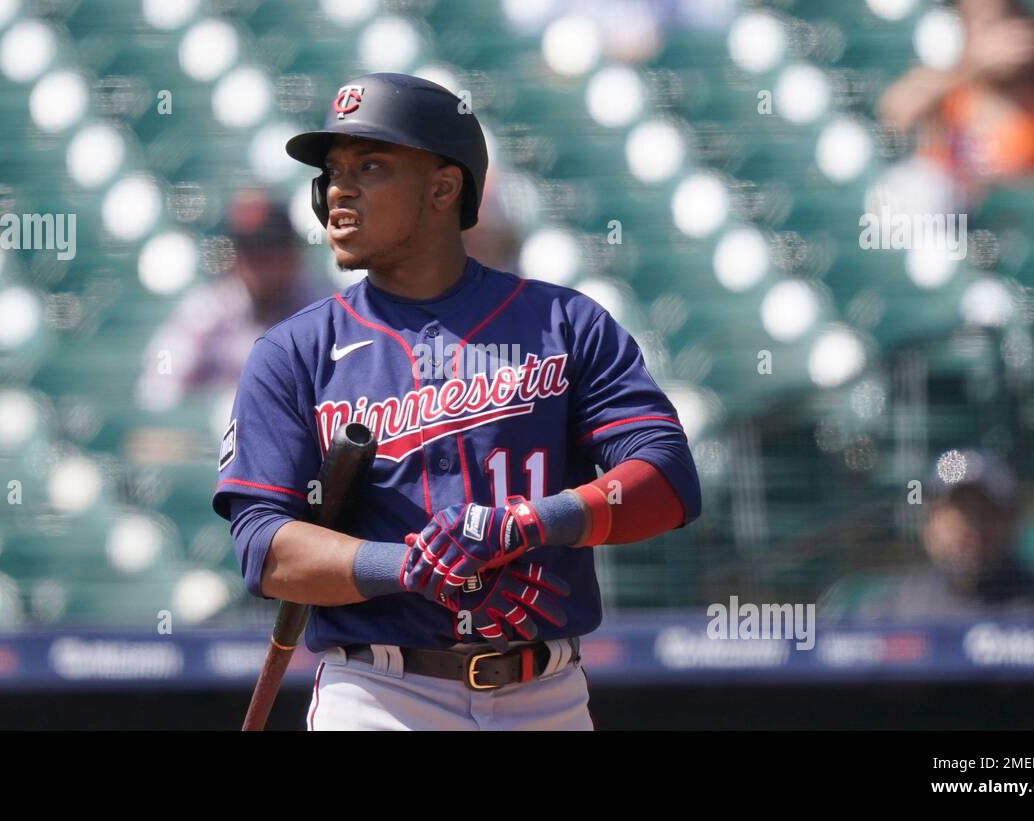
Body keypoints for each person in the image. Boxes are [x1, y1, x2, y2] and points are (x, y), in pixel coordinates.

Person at [211, 73, 702, 730]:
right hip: (380, 694)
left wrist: (532, 522)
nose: (338, 191)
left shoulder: (565, 324)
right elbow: (265, 546)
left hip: (545, 693)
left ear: (443, 188)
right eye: (332, 171)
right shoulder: (293, 352)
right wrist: (409, 566)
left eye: (372, 165)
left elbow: (668, 479)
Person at [135, 190, 321, 412]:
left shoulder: (319, 308)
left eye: (272, 248)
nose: (261, 265)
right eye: (251, 251)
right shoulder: (205, 312)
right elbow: (158, 393)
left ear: (292, 252)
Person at [875, 0, 1034, 212]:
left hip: (1014, 224)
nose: (998, 38)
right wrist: (971, 65)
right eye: (985, 24)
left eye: (1003, 21)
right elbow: (893, 113)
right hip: (946, 222)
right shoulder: (945, 84)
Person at [822, 449, 1034, 620]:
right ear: (928, 523)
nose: (972, 526)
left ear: (1012, 523)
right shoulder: (900, 608)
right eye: (959, 512)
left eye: (986, 512)